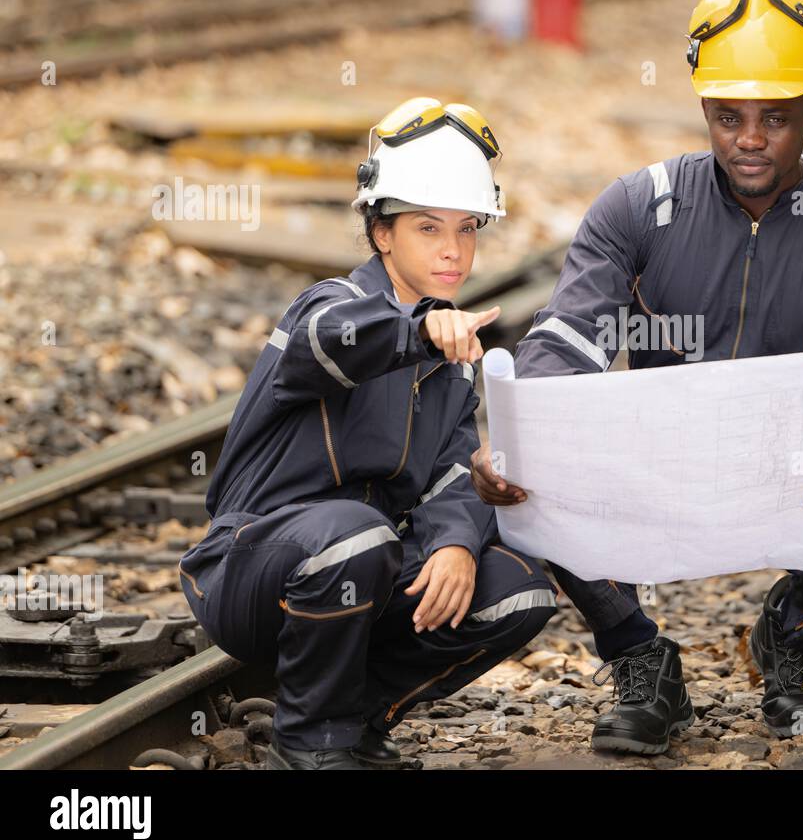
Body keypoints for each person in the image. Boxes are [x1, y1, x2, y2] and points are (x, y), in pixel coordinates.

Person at [470, 0, 803, 754]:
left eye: (774, 118)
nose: (749, 138)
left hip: (790, 471)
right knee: (528, 488)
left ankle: (788, 639)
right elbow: (569, 338)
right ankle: (643, 659)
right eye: (727, 116)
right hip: (658, 462)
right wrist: (519, 432)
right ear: (703, 110)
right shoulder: (638, 209)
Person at [180, 98, 557, 769]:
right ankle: (308, 747)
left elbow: (452, 474)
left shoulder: (449, 367)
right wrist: (417, 331)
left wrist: (456, 547)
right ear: (381, 233)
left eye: (468, 229)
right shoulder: (328, 308)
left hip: (361, 566)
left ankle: (356, 721)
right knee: (357, 533)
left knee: (519, 587)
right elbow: (335, 341)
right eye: (426, 228)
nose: (453, 249)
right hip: (247, 570)